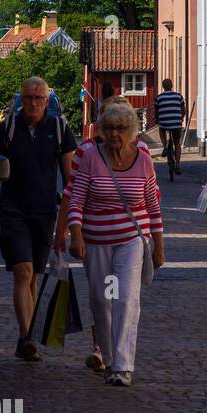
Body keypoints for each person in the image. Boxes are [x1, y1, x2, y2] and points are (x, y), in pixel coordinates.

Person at [67, 102, 163, 387]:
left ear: (132, 131)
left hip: (131, 239)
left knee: (125, 298)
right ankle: (108, 358)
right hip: (97, 241)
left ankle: (123, 365)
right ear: (101, 130)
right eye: (109, 129)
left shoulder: (143, 158)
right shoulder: (90, 156)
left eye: (121, 129)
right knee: (101, 299)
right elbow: (76, 198)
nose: (115, 135)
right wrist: (76, 234)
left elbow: (152, 204)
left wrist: (158, 245)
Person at [0, 76, 77, 362]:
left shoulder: (60, 129)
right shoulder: (7, 129)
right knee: (23, 271)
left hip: (45, 212)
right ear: (20, 100)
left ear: (47, 102)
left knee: (34, 274)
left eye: (38, 98)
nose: (33, 103)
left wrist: (65, 228)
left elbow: (71, 182)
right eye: (28, 98)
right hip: (14, 210)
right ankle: (26, 337)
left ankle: (29, 337)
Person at [154, 79, 186, 172]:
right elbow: (183, 109)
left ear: (163, 87)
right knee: (177, 143)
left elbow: (157, 111)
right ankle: (178, 165)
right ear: (171, 85)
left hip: (164, 122)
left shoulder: (158, 97)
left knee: (161, 130)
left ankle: (164, 146)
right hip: (176, 123)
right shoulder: (178, 96)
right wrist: (181, 118)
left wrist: (157, 119)